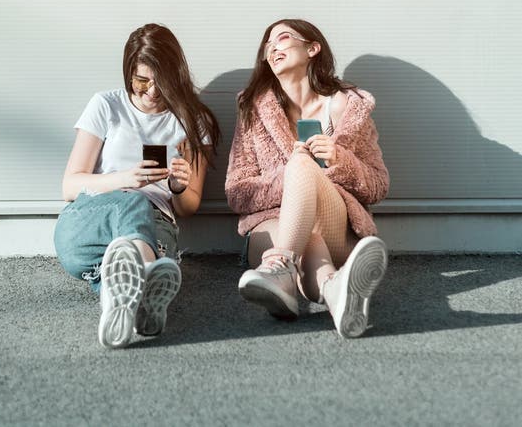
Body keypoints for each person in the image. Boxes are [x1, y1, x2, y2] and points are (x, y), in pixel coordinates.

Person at [54, 23, 220, 349]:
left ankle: (126, 302)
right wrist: (126, 180)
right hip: (93, 218)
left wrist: (176, 187)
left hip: (157, 223)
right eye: (141, 81)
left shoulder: (193, 118)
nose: (152, 92)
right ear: (128, 72)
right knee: (132, 202)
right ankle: (147, 273)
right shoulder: (107, 105)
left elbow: (188, 207)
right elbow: (70, 185)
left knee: (116, 271)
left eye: (162, 81)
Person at [225, 19, 390, 338]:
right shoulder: (253, 110)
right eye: (267, 45)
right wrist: (288, 178)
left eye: (283, 38)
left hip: (337, 225)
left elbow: (378, 184)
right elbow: (237, 192)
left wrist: (338, 159)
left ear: (312, 48)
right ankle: (335, 291)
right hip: (268, 226)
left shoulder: (347, 108)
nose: (273, 48)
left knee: (301, 163)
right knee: (305, 231)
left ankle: (280, 268)